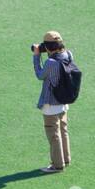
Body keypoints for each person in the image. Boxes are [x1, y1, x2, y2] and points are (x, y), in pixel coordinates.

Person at [31, 31, 73, 173]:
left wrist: (37, 56)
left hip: (50, 103)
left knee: (53, 134)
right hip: (63, 101)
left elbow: (40, 75)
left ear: (48, 47)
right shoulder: (68, 55)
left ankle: (57, 165)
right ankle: (65, 159)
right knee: (63, 131)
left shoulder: (51, 62)